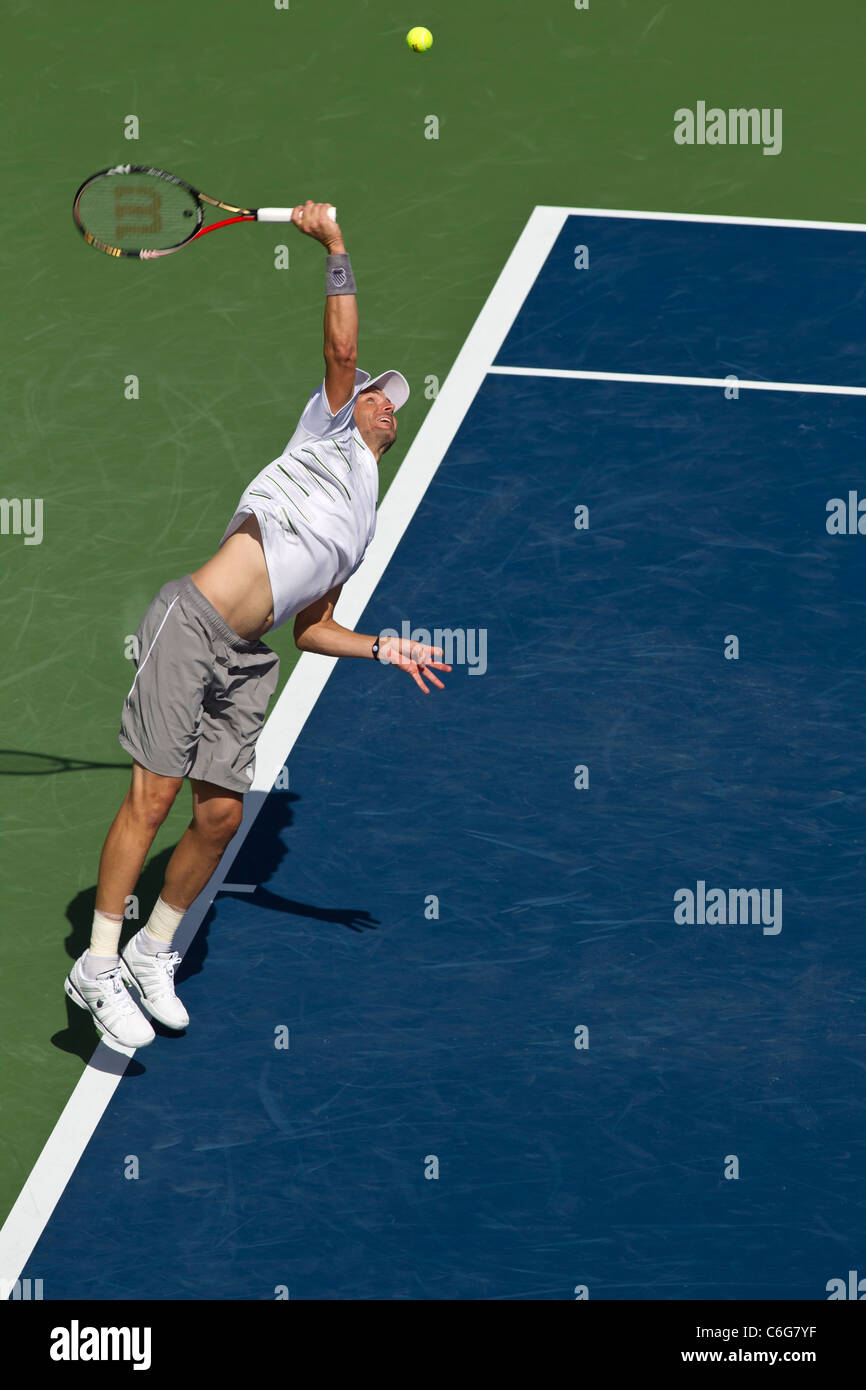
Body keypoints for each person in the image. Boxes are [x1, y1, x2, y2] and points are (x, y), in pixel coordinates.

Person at [65, 201, 451, 1050]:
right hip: (193, 620)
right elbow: (343, 347)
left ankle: (151, 950)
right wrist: (337, 245)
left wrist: (381, 646)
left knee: (219, 820)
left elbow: (312, 626)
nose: (387, 402)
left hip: (246, 658)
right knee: (153, 795)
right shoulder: (327, 429)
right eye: (379, 393)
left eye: (393, 403)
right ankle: (94, 965)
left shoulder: (363, 522)